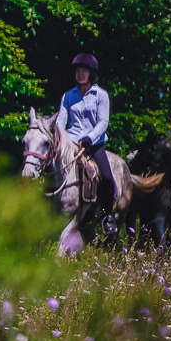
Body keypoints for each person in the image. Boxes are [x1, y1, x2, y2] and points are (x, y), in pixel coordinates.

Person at [57, 52, 119, 236]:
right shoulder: (68, 95)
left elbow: (103, 122)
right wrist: (60, 136)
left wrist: (90, 138)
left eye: (84, 71)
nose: (80, 74)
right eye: (77, 70)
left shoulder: (101, 95)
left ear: (91, 73)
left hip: (93, 144)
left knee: (107, 178)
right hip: (71, 144)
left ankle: (108, 216)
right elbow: (61, 120)